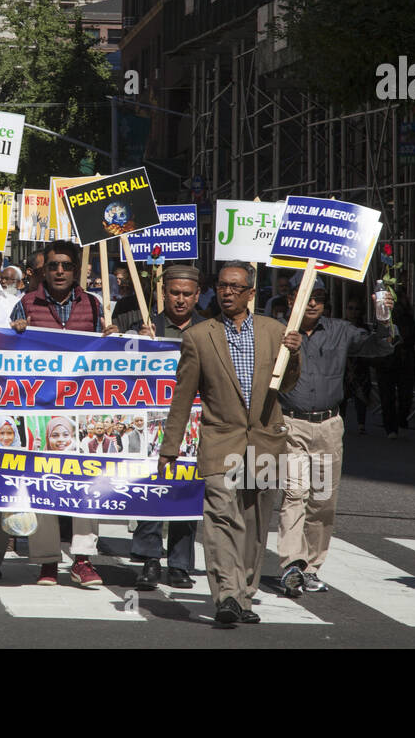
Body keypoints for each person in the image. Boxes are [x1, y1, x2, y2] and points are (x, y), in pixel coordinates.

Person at [158, 260, 302, 627]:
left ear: (251, 293)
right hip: (220, 440)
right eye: (222, 285)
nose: (227, 292)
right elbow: (183, 395)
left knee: (254, 524)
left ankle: (245, 595)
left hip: (265, 442)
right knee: (221, 517)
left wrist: (294, 353)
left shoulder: (275, 331)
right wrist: (170, 446)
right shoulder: (199, 336)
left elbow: (286, 385)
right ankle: (226, 595)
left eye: (236, 287)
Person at [276, 282, 393, 598]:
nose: (312, 303)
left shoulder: (341, 330)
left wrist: (384, 319)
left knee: (322, 501)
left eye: (319, 299)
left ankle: (311, 568)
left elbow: (381, 348)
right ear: (291, 300)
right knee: (294, 493)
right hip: (291, 423)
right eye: (305, 297)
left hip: (328, 425)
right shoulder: (278, 330)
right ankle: (291, 565)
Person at [10, 242, 108, 587]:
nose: (60, 272)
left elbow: (105, 353)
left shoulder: (93, 305)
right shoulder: (24, 304)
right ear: (44, 270)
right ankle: (47, 561)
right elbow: (7, 356)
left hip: (82, 409)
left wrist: (110, 339)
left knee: (87, 483)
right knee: (42, 483)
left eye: (66, 265)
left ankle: (83, 559)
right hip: (39, 408)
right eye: (53, 266)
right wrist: (16, 334)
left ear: (76, 269)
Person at [128, 265, 207, 591]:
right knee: (152, 490)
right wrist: (136, 344)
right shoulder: (146, 328)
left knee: (186, 493)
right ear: (164, 293)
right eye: (174, 293)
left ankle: (179, 564)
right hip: (153, 425)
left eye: (187, 294)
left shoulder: (209, 330)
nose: (180, 300)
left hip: (194, 424)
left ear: (197, 296)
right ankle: (148, 560)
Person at [373, 286, 415, 438]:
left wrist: (404, 341)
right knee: (387, 395)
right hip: (387, 361)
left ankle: (399, 420)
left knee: (404, 394)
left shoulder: (408, 318)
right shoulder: (383, 318)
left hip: (404, 360)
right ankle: (390, 427)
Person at [341, 296, 374, 433]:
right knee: (342, 396)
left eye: (356, 309)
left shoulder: (364, 328)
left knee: (361, 395)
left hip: (360, 365)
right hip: (343, 365)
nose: (353, 312)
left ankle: (361, 423)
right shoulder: (341, 326)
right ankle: (341, 423)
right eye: (350, 308)